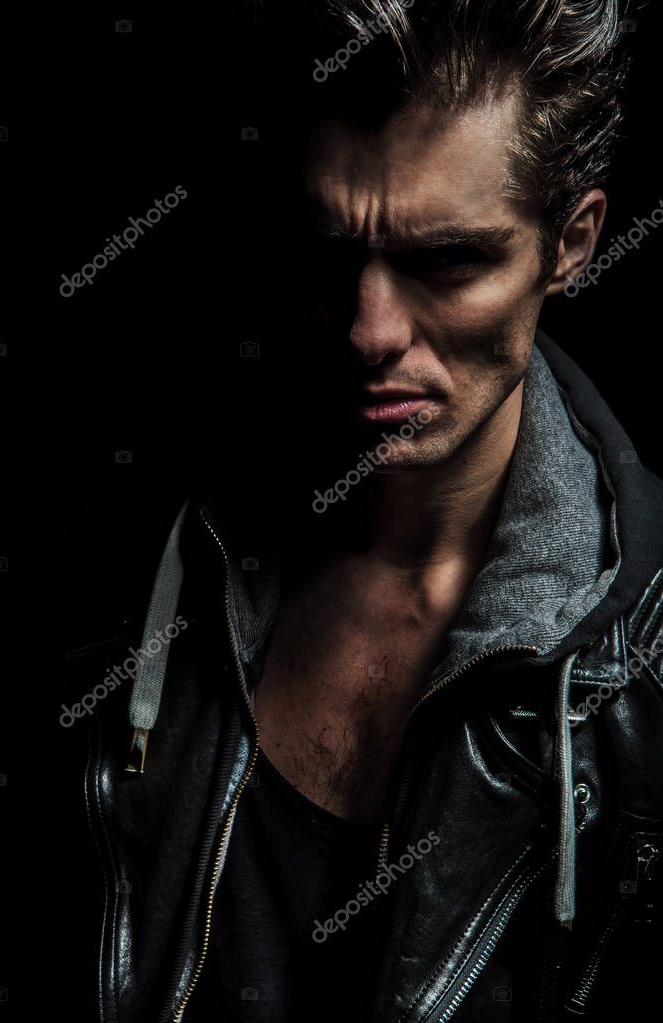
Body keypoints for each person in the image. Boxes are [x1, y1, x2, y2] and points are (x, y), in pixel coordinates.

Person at [69, 2, 662, 1020]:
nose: (367, 330)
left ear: (570, 245)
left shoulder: (640, 683)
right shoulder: (145, 546)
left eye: (447, 261)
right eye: (338, 249)